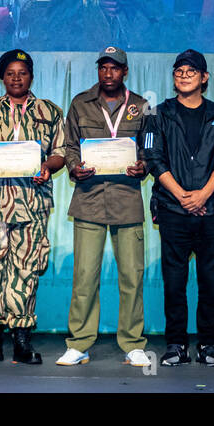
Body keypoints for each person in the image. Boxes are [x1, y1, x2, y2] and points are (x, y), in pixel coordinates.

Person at [57, 46, 152, 367]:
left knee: (132, 276)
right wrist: (73, 166)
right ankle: (79, 342)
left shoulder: (142, 106)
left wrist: (144, 165)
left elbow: (150, 148)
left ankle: (133, 343)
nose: (108, 73)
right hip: (89, 200)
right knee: (85, 276)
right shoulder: (80, 103)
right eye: (103, 68)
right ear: (98, 70)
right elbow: (69, 144)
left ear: (125, 71)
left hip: (127, 201)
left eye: (115, 68)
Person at [141, 49, 214, 366]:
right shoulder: (157, 114)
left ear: (204, 77)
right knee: (174, 280)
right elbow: (153, 159)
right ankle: (176, 345)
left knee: (210, 279)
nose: (184, 75)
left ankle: (208, 344)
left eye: (191, 71)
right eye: (179, 70)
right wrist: (183, 195)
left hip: (209, 211)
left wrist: (202, 196)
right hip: (173, 209)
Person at [0, 49, 66, 365]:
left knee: (26, 271)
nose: (16, 78)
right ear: (2, 77)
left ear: (31, 76)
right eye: (10, 73)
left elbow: (61, 151)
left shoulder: (50, 111)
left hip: (31, 205)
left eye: (22, 72)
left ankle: (22, 340)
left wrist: (48, 167)